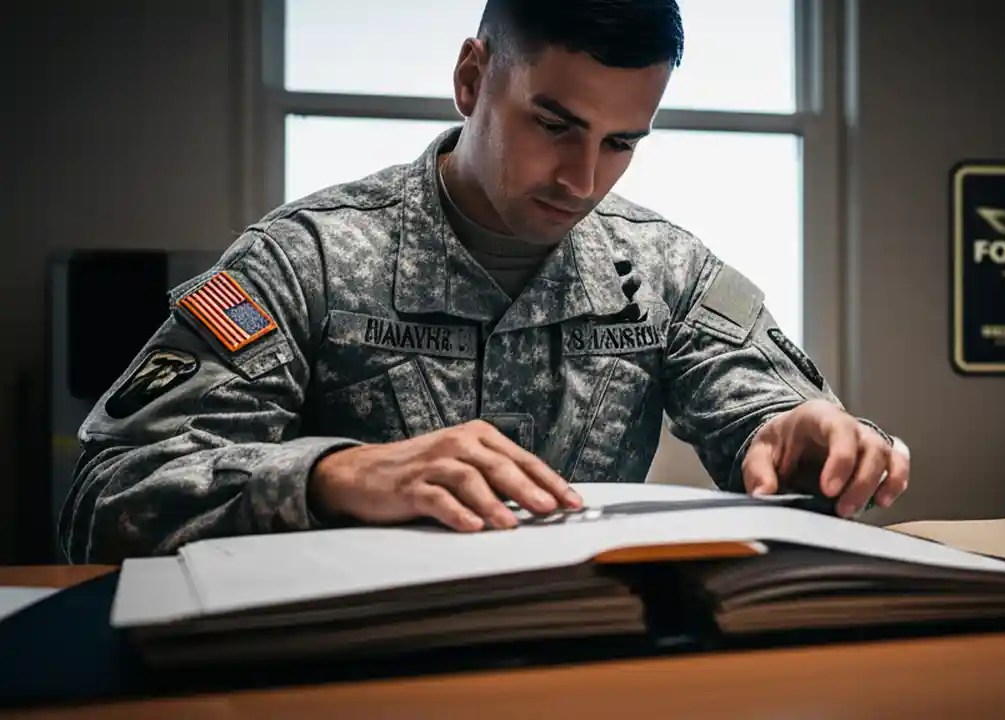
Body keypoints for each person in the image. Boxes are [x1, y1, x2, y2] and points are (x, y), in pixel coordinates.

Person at [59, 0, 910, 564]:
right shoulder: (303, 262)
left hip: (590, 666)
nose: (582, 179)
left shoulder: (663, 273)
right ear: (472, 79)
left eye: (621, 143)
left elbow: (771, 419)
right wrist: (334, 477)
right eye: (554, 124)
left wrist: (807, 437)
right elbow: (102, 502)